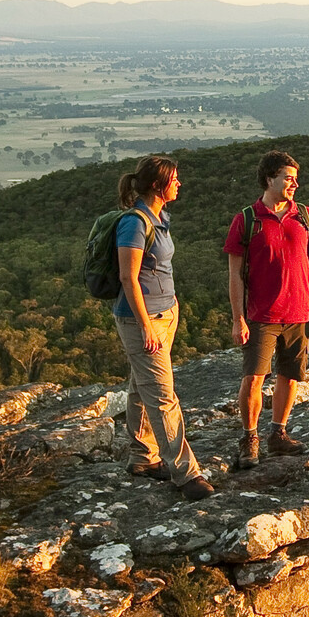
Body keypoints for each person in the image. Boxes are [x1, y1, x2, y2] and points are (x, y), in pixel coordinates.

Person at [221, 149, 309, 471]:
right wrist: (238, 318)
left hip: (298, 312)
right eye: (288, 177)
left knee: (290, 376)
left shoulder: (307, 217)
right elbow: (234, 275)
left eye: (296, 178)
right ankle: (249, 438)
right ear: (270, 179)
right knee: (253, 377)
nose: (294, 184)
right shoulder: (246, 220)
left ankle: (278, 434)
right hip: (261, 316)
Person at [112, 155, 210, 496]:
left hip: (164, 312)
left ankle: (143, 457)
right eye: (175, 179)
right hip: (142, 318)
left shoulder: (159, 217)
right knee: (163, 396)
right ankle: (186, 474)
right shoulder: (135, 223)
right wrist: (145, 327)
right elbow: (128, 277)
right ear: (158, 185)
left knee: (143, 386)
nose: (179, 184)